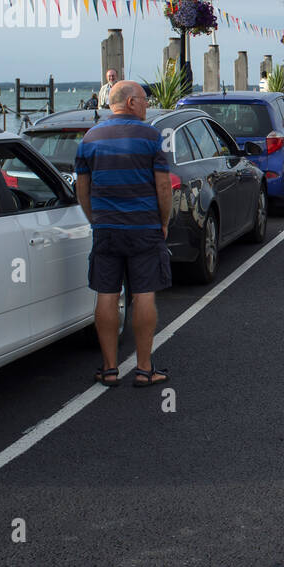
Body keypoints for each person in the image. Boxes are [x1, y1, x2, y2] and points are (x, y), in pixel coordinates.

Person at [75, 80, 174, 387]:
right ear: (130, 102)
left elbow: (82, 189)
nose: (146, 104)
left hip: (106, 228)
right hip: (143, 228)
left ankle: (109, 368)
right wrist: (164, 221)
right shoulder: (151, 137)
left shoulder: (90, 139)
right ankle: (144, 368)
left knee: (107, 294)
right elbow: (163, 186)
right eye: (144, 100)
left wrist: (96, 218)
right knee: (144, 294)